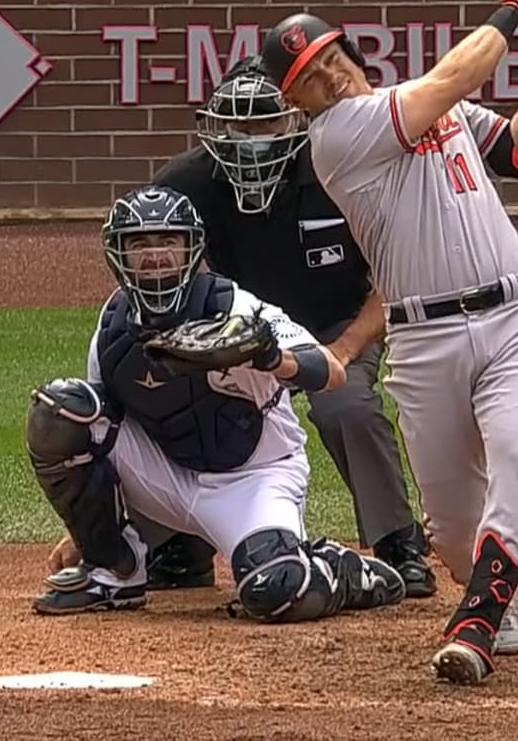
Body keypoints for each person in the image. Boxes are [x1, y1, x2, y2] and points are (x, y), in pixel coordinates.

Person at [258, 0, 518, 683]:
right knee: (454, 526)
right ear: (295, 102)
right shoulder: (340, 134)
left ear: (349, 51)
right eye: (309, 77)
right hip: (426, 342)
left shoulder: (430, 104)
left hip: (514, 319)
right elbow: (457, 74)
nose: (328, 76)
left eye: (331, 58)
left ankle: (480, 618)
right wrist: (517, 12)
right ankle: (491, 596)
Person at [24, 184, 407, 624]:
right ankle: (114, 571)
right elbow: (100, 429)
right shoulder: (114, 322)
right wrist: (90, 532)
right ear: (117, 255)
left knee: (277, 591)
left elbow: (330, 372)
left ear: (192, 249)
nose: (155, 256)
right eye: (140, 244)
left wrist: (267, 357)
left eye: (169, 241)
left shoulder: (233, 305)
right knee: (60, 409)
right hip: (166, 473)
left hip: (252, 477)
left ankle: (340, 571)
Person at [137, 56, 436, 601]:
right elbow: (153, 280)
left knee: (345, 407)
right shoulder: (181, 186)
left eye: (265, 123)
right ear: (215, 126)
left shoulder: (336, 169)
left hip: (331, 324)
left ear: (294, 119)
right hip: (232, 341)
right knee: (173, 399)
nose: (251, 139)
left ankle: (397, 540)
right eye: (238, 125)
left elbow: (393, 277)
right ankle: (178, 544)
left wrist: (344, 348)